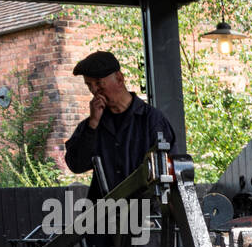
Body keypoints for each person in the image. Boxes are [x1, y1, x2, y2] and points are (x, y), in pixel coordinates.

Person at [64, 51, 176, 198]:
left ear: (119, 78)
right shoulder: (92, 124)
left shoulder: (152, 120)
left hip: (143, 214)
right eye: (89, 85)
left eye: (98, 83)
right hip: (103, 216)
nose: (94, 90)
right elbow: (76, 165)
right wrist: (92, 125)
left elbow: (173, 169)